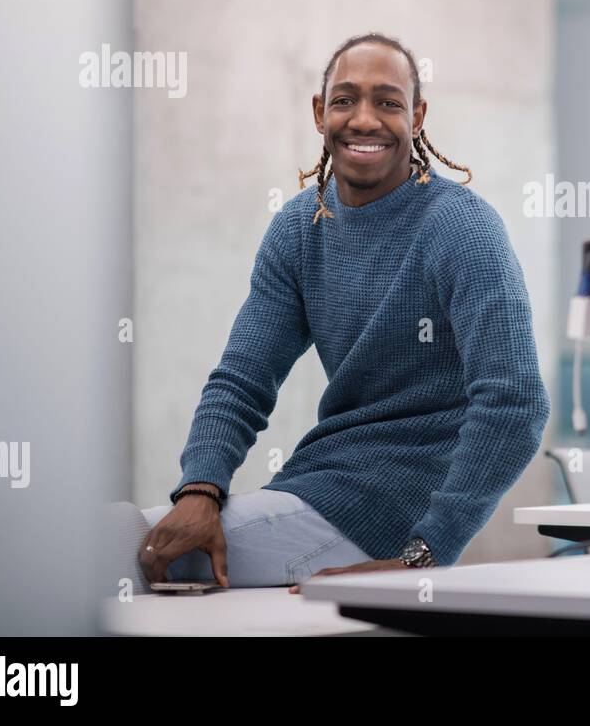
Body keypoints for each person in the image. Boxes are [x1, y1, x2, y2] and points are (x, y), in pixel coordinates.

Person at [134, 33, 550, 591]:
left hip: (395, 517)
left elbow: (515, 402)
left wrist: (423, 556)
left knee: (122, 553)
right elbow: (242, 379)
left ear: (418, 116)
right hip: (316, 485)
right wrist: (201, 488)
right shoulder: (300, 228)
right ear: (318, 112)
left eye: (388, 101)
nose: (365, 119)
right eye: (345, 99)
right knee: (126, 538)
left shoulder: (461, 228)